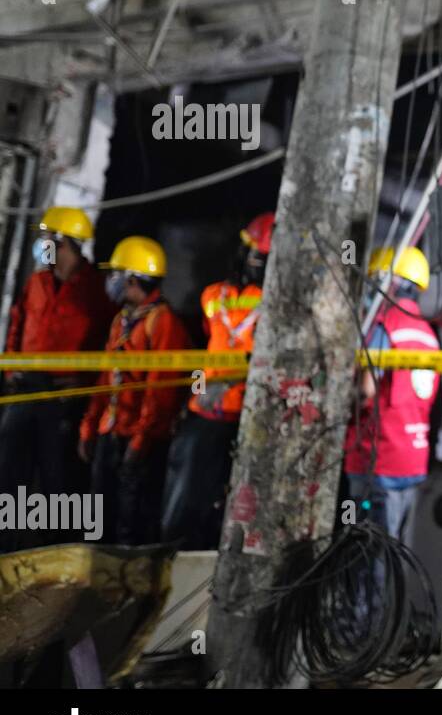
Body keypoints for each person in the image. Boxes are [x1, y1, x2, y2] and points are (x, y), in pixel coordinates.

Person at [0, 206, 115, 550]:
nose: (43, 245)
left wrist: (85, 383)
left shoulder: (97, 291)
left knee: (56, 479)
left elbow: (109, 346)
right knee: (7, 470)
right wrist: (10, 369)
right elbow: (17, 324)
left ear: (66, 244)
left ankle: (49, 550)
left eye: (49, 239)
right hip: (26, 388)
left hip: (64, 396)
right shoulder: (37, 282)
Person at [161, 212, 273, 549]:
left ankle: (190, 550)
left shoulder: (223, 298)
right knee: (201, 497)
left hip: (227, 415)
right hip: (223, 415)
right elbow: (205, 354)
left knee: (209, 498)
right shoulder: (226, 299)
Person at [79, 235, 191, 545]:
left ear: (132, 279)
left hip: (140, 440)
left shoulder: (163, 323)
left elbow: (160, 392)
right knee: (98, 519)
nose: (109, 281)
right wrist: (90, 426)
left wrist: (141, 439)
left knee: (131, 523)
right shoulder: (121, 321)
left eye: (115, 274)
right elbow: (106, 377)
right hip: (111, 432)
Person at [343, 245, 441, 543]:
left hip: (377, 460)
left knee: (365, 558)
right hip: (410, 459)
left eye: (374, 278)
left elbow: (365, 390)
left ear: (390, 282)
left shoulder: (385, 327)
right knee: (394, 553)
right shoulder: (426, 333)